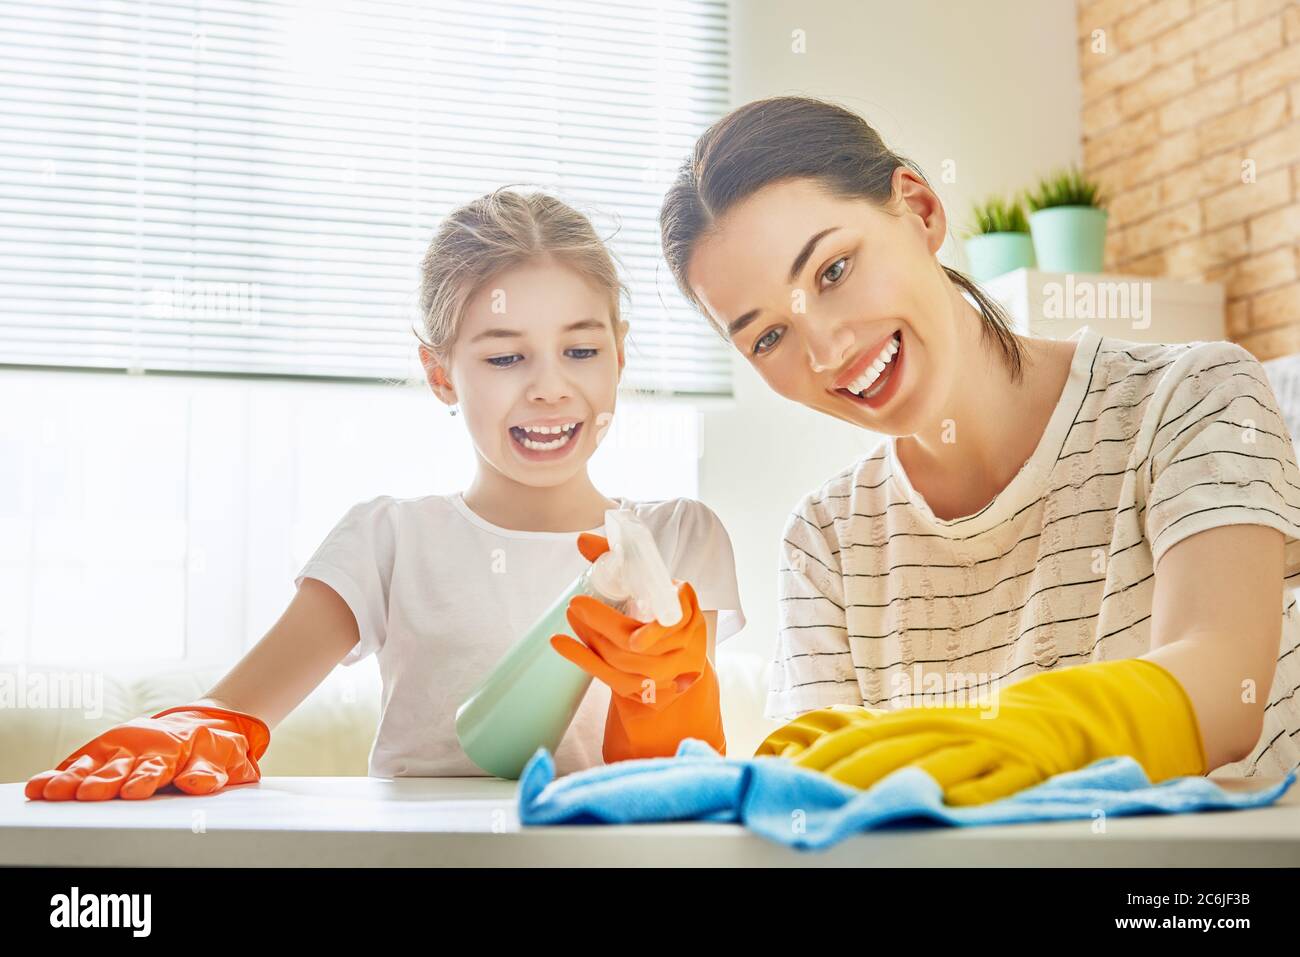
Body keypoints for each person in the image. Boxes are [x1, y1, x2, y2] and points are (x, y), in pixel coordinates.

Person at [659, 95, 1300, 804]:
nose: (829, 348)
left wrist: (996, 737)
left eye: (834, 270)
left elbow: (1222, 687)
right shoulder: (826, 540)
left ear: (921, 209)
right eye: (768, 337)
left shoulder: (1193, 396)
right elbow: (817, 800)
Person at [26, 189, 745, 801]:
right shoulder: (391, 541)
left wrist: (663, 689)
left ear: (620, 352)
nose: (550, 386)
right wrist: (195, 728)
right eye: (503, 356)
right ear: (440, 373)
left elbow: (673, 779)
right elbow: (237, 709)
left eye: (581, 350)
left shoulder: (679, 540)